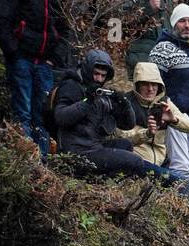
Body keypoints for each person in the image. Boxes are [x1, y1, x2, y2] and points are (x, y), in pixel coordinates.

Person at [0, 0, 69, 154]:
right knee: (23, 114)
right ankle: (25, 162)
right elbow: (0, 22)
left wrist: (54, 58)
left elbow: (65, 29)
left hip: (44, 64)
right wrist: (15, 53)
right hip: (22, 61)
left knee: (41, 115)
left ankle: (41, 165)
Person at [51, 49, 172, 179]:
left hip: (93, 147)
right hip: (76, 153)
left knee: (126, 145)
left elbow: (127, 125)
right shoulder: (71, 86)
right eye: (96, 74)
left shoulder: (101, 93)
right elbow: (61, 117)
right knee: (135, 161)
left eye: (103, 76)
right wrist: (88, 102)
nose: (99, 79)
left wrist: (124, 104)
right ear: (87, 70)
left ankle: (105, 182)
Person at [149, 4, 189, 179]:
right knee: (180, 168)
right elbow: (152, 85)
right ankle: (176, 204)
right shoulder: (163, 49)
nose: (187, 25)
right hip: (173, 116)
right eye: (182, 21)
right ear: (174, 24)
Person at [117, 62, 189, 180]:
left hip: (162, 163)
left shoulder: (164, 102)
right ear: (137, 85)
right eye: (145, 84)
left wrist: (173, 119)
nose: (150, 89)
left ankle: (184, 178)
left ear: (160, 86)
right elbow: (120, 138)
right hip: (139, 164)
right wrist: (146, 133)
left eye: (154, 85)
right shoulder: (126, 103)